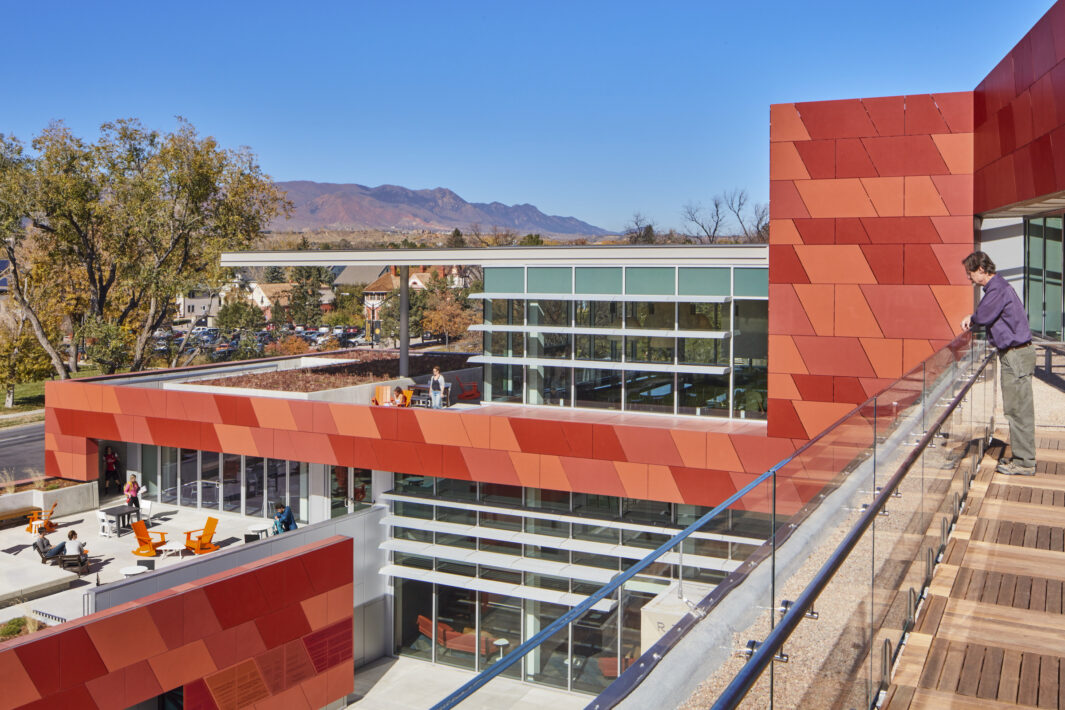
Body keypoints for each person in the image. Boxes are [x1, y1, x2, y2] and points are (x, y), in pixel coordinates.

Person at [961, 251, 1036, 476]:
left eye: (970, 273)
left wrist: (971, 318)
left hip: (1016, 355)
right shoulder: (1000, 286)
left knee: (1018, 411)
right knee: (1018, 409)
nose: (969, 278)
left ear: (981, 270)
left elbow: (983, 316)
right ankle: (1024, 459)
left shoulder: (997, 289)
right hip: (1016, 354)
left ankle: (1025, 463)